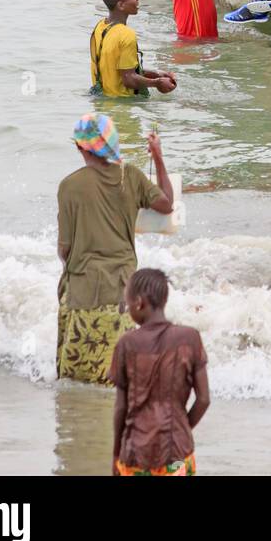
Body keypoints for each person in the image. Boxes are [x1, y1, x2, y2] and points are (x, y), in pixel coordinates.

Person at [57, 117, 174, 383]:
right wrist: (158, 157)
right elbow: (167, 205)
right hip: (123, 293)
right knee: (115, 378)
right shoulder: (129, 175)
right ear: (112, 144)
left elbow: (64, 249)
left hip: (82, 292)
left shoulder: (69, 186)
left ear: (80, 147)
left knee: (73, 379)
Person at [111, 267, 210, 476]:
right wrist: (182, 429)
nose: (128, 309)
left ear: (139, 302)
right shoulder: (189, 338)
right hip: (177, 456)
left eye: (128, 304)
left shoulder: (126, 344)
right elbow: (203, 400)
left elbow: (121, 407)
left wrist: (115, 454)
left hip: (136, 455)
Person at [90, 0, 177, 98]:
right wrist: (157, 83)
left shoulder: (100, 27)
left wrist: (156, 74)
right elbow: (128, 79)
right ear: (121, 5)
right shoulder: (126, 34)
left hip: (101, 102)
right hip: (122, 107)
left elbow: (117, 70)